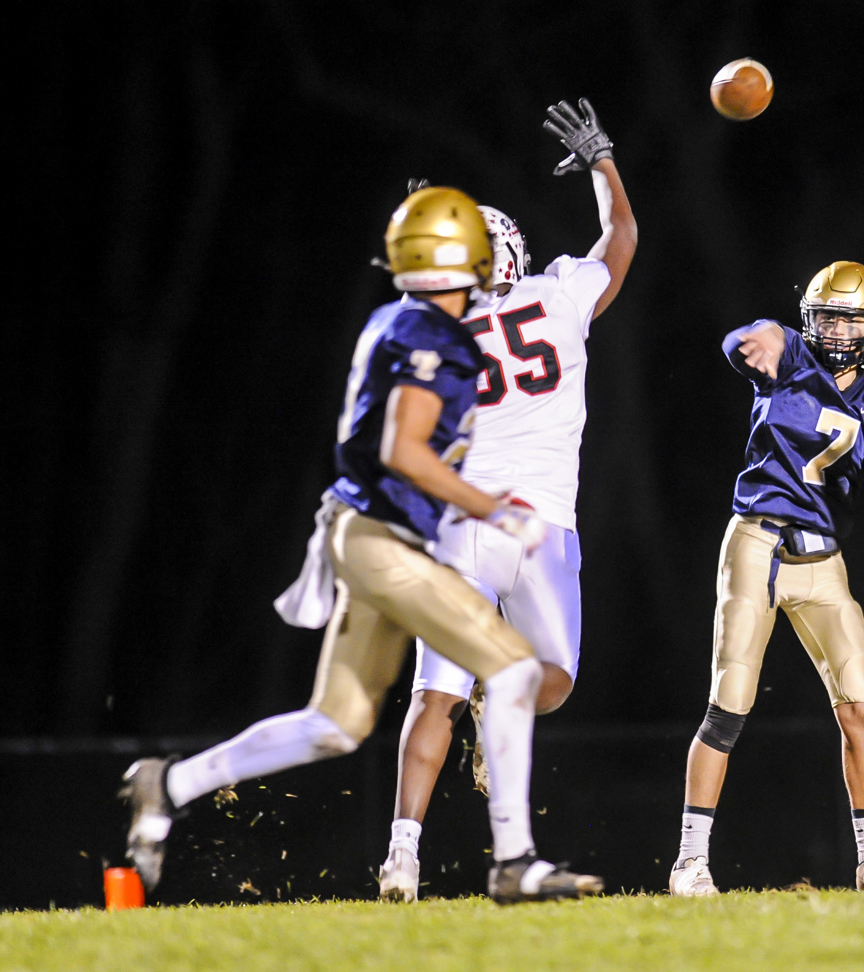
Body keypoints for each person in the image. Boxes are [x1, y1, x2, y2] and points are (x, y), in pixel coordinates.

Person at [120, 184, 603, 904]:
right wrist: (490, 506)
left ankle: (170, 783)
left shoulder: (399, 320)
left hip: (368, 532)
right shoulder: (433, 335)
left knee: (337, 723)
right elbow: (406, 452)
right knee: (511, 673)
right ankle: (513, 862)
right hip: (389, 540)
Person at [377, 98, 637, 903]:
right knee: (550, 683)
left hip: (462, 525)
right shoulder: (559, 299)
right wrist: (602, 161)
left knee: (434, 698)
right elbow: (620, 237)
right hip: (541, 526)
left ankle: (401, 859)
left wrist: (419, 222)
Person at [667, 261, 864, 896]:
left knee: (860, 706)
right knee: (729, 702)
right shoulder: (791, 356)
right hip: (758, 541)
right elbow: (746, 341)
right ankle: (690, 862)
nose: (837, 329)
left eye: (850, 318)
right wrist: (757, 337)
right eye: (828, 316)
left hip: (824, 559)